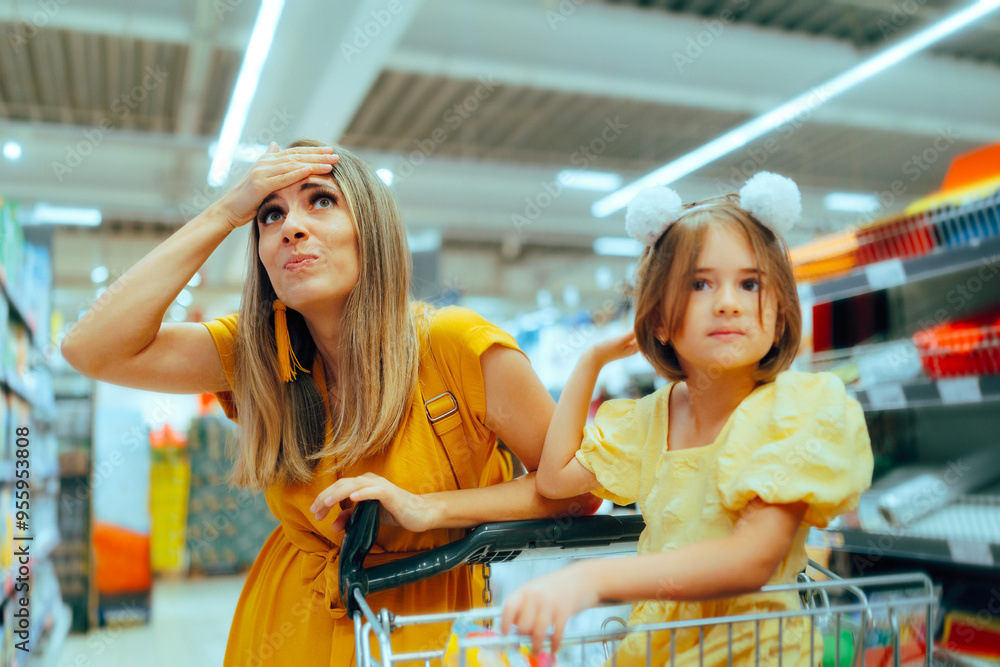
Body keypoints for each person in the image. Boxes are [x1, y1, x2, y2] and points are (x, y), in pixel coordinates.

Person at [61, 140, 597, 666]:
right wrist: (225, 212)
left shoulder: (454, 346)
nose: (290, 227)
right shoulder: (260, 354)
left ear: (372, 230)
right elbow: (90, 348)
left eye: (322, 200)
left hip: (420, 630)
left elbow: (578, 490)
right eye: (270, 215)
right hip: (283, 629)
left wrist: (432, 509)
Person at [501, 173, 874, 665]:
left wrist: (591, 579)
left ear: (780, 314)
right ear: (660, 319)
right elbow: (554, 479)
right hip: (661, 648)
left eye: (750, 283)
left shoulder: (796, 411)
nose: (728, 302)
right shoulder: (652, 418)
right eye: (700, 284)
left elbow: (751, 559)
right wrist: (590, 361)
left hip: (754, 652)